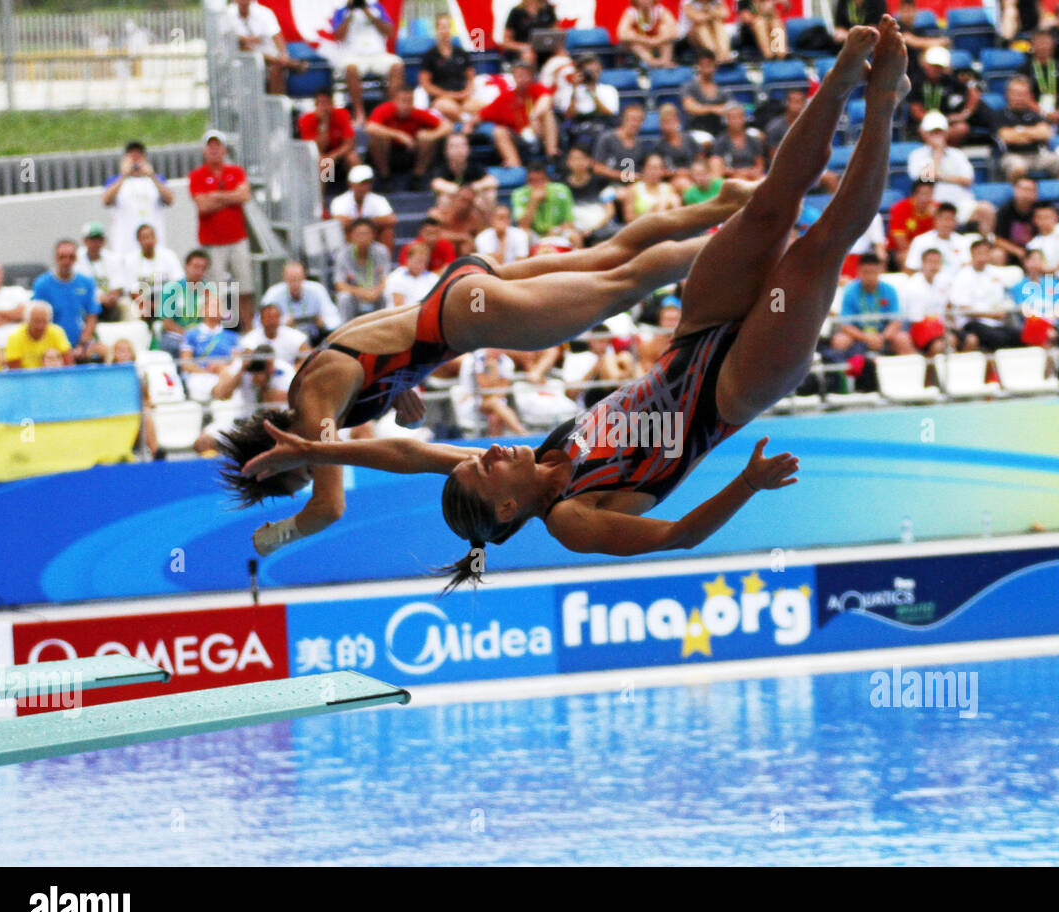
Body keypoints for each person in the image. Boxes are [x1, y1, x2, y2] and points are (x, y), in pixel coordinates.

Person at [239, 22, 908, 582]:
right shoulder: (571, 519)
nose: (488, 451)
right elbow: (677, 536)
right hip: (730, 392)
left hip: (692, 337)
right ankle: (881, 106)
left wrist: (319, 450)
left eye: (478, 458)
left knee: (767, 211)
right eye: (485, 466)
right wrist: (748, 483)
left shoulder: (542, 454)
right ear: (505, 509)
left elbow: (408, 456)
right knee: (815, 251)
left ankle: (842, 80)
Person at [217, 177, 755, 555]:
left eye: (299, 476)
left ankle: (754, 236)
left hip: (466, 321)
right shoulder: (317, 386)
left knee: (624, 283)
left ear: (278, 456)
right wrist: (401, 388)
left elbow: (327, 511)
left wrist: (274, 535)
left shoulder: (313, 417)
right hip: (457, 290)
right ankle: (725, 207)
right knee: (612, 256)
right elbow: (380, 350)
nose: (313, 476)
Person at [189, 130, 254, 329]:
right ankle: (215, 327)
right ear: (204, 150)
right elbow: (203, 206)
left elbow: (244, 196)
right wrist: (230, 196)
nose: (214, 150)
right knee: (216, 289)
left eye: (218, 146)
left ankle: (249, 326)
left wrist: (216, 196)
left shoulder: (236, 171)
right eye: (210, 146)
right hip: (213, 242)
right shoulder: (197, 175)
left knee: (245, 285)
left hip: (237, 238)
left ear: (224, 150)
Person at [326, 0, 404, 126]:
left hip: (378, 55)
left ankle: (390, 110)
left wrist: (368, 13)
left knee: (397, 65)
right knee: (350, 68)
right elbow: (338, 36)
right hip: (354, 56)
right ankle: (359, 112)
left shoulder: (375, 7)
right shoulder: (342, 10)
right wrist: (350, 14)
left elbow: (389, 32)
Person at [365, 88, 451, 188]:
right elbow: (370, 127)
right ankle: (385, 177)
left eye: (409, 101)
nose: (406, 105)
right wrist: (398, 135)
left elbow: (446, 126)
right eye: (403, 101)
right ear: (395, 101)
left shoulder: (417, 113)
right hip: (389, 153)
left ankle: (418, 177)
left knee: (426, 138)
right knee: (378, 138)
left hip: (411, 153)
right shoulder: (385, 110)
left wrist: (431, 135)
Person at [102, 141, 174, 258]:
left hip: (154, 244)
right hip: (125, 246)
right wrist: (124, 175)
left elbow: (170, 200)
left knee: (158, 275)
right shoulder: (115, 181)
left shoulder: (156, 180)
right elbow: (106, 200)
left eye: (139, 155)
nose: (135, 159)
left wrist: (152, 176)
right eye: (131, 155)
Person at [32, 240, 100, 360]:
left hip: (80, 343)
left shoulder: (87, 283)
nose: (66, 261)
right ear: (55, 259)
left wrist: (82, 344)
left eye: (71, 257)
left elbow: (92, 316)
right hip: (51, 345)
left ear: (76, 259)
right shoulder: (42, 284)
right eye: (62, 257)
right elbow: (37, 319)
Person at [222, 0, 295, 95]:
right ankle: (291, 64)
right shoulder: (227, 14)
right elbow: (230, 38)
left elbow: (276, 35)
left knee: (277, 67)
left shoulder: (264, 12)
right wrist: (247, 39)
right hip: (241, 58)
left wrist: (283, 54)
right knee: (244, 49)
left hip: (266, 57)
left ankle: (275, 102)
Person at [261, 261, 342, 346]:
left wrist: (323, 323)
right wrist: (281, 324)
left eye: (298, 279)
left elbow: (334, 317)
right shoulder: (273, 293)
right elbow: (260, 322)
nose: (295, 284)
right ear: (284, 279)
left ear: (304, 277)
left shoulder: (317, 289)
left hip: (315, 338)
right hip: (285, 340)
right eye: (291, 280)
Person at [298, 90, 360, 193]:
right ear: (316, 105)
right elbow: (318, 148)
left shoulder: (342, 114)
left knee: (353, 158)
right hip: (319, 156)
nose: (325, 107)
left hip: (339, 155)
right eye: (321, 103)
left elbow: (349, 144)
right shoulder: (306, 120)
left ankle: (355, 193)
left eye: (327, 103)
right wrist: (324, 124)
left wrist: (334, 155)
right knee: (323, 162)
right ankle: (322, 197)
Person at [419, 13, 476, 126]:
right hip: (442, 98)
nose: (445, 30)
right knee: (450, 108)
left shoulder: (461, 52)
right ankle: (466, 124)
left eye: (447, 26)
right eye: (442, 27)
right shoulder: (429, 55)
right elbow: (426, 84)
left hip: (462, 96)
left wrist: (466, 92)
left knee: (481, 106)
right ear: (437, 29)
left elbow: (471, 77)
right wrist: (447, 94)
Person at [334, 218, 391, 322]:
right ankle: (346, 331)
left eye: (366, 234)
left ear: (373, 235)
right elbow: (340, 284)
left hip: (375, 294)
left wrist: (376, 292)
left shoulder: (382, 251)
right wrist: (360, 292)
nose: (362, 238)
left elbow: (385, 279)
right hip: (355, 295)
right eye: (358, 234)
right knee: (344, 297)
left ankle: (384, 327)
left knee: (387, 294)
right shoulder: (342, 254)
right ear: (351, 236)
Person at [330, 164, 397, 251]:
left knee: (387, 232)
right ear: (351, 184)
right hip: (350, 236)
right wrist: (366, 223)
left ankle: (384, 262)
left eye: (367, 183)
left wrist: (361, 223)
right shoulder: (339, 200)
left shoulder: (379, 199)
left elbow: (391, 220)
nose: (364, 187)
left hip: (372, 236)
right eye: (360, 184)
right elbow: (339, 222)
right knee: (344, 231)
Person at [75, 221, 130, 323]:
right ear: (85, 240)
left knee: (128, 305)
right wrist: (100, 298)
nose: (96, 243)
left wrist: (113, 296)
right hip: (88, 300)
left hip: (110, 300)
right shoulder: (76, 259)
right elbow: (78, 287)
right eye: (92, 239)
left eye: (99, 239)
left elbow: (119, 285)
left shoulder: (113, 258)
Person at [241, 301, 311, 367]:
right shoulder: (250, 338)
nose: (272, 321)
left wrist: (293, 372)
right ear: (261, 319)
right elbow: (246, 360)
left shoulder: (295, 336)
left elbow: (307, 356)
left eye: (275, 317)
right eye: (268, 318)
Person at [4, 301, 72, 369]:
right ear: (27, 321)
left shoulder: (57, 332)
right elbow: (15, 372)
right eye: (36, 321)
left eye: (44, 321)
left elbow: (69, 365)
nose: (40, 326)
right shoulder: (15, 337)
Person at [617, 0, 680, 68]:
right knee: (631, 37)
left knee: (665, 30)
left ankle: (665, 61)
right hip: (640, 45)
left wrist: (657, 40)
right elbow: (621, 34)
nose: (645, 1)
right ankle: (652, 62)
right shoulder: (631, 13)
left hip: (659, 43)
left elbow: (675, 31)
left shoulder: (661, 11)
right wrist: (645, 40)